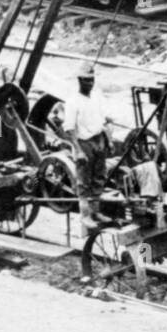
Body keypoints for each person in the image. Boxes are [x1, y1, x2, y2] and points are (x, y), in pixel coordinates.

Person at [64, 62, 116, 284]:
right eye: (86, 80)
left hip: (98, 140)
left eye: (92, 79)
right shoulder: (72, 102)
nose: (90, 83)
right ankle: (86, 215)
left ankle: (96, 213)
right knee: (84, 182)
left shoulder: (96, 97)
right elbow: (69, 128)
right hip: (84, 143)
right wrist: (77, 150)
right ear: (79, 81)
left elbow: (105, 120)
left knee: (99, 179)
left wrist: (109, 140)